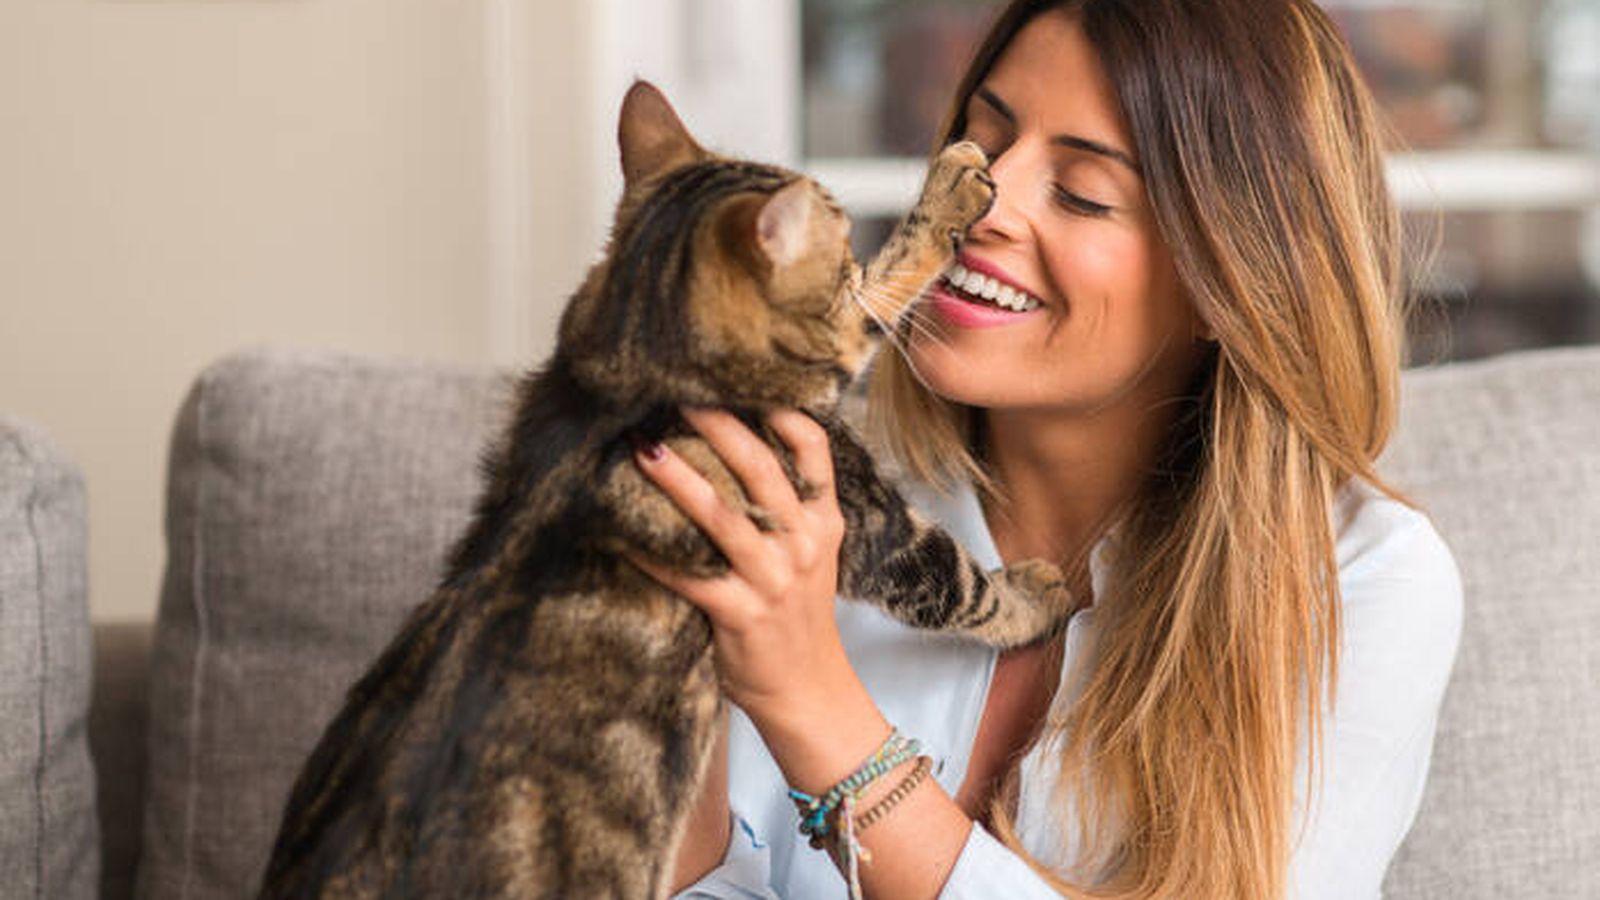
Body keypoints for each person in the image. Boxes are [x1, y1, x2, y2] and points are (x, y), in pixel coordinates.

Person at [633, 0, 1462, 897]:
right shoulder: (790, 489)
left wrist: (811, 703)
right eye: (978, 145)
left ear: (1232, 278)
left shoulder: (1361, 580)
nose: (977, 207)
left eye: (1081, 192)